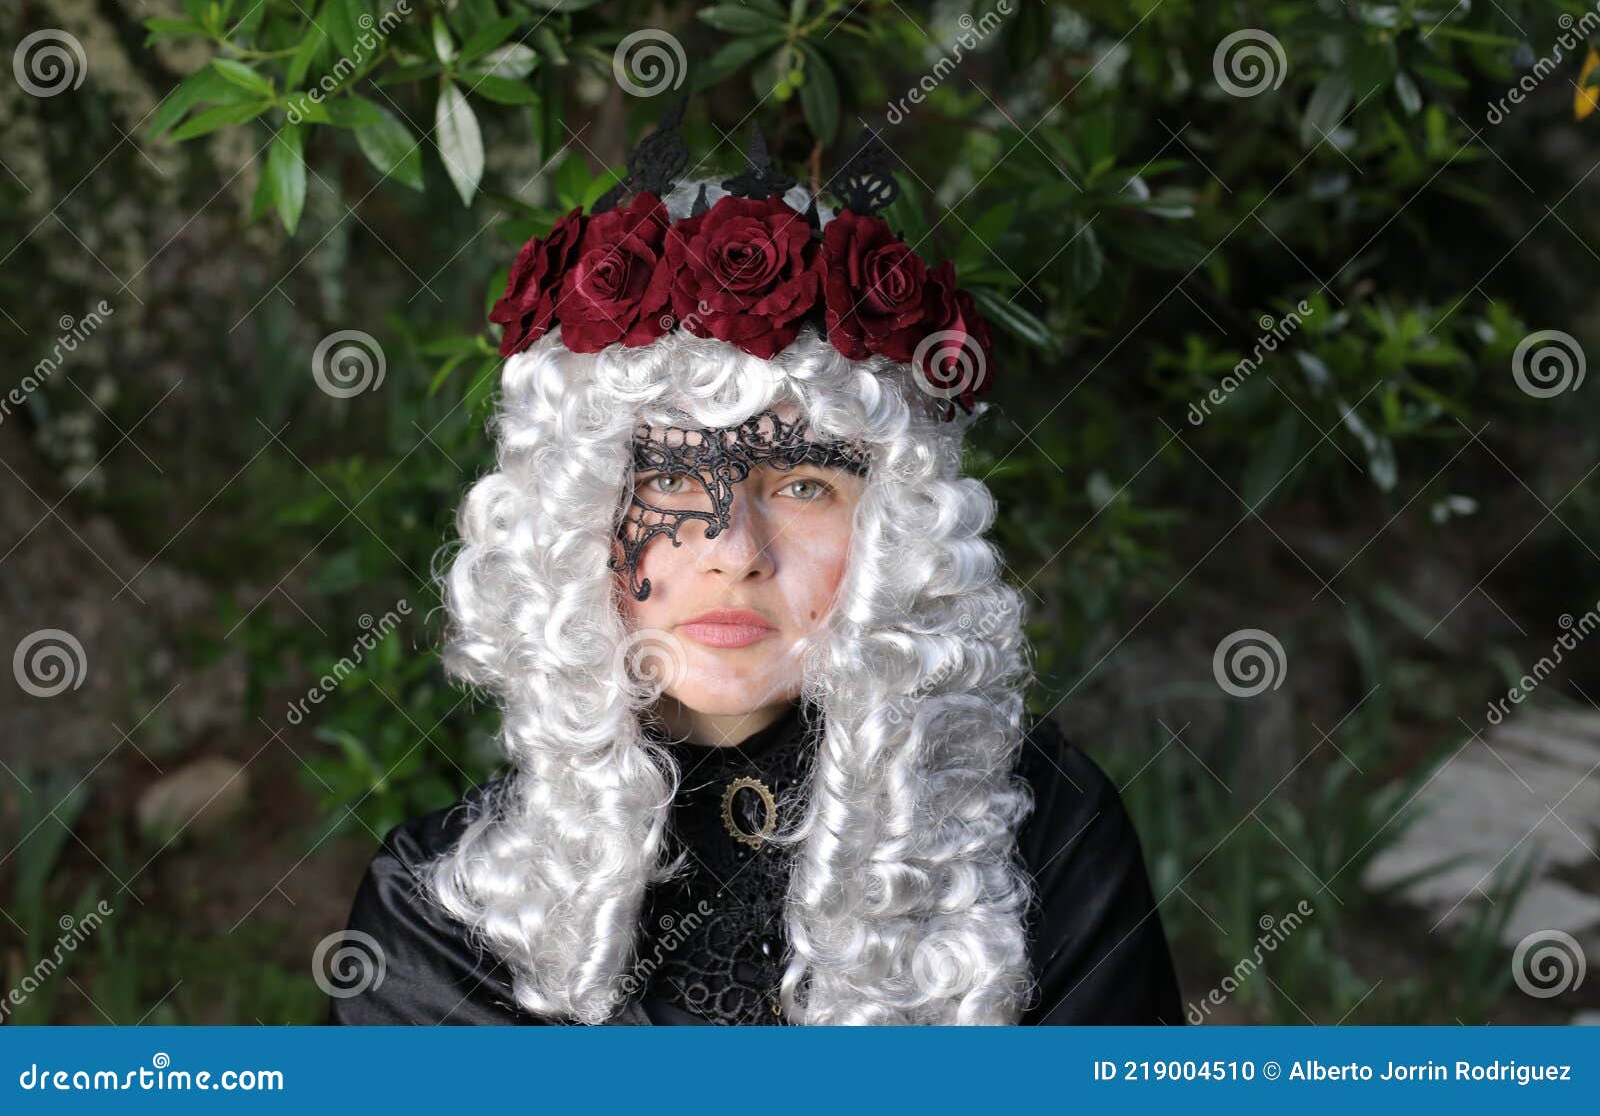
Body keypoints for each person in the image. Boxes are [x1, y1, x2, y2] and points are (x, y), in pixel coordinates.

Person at [328, 99, 1181, 1026]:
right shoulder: (442, 918)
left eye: (805, 483)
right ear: (574, 517)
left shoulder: (1041, 833)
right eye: (666, 474)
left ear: (897, 528)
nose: (735, 552)